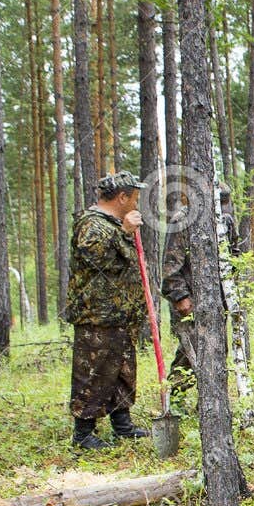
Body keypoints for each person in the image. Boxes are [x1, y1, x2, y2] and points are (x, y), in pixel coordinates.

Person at [64, 171, 152, 451]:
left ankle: (122, 425)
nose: (137, 202)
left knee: (122, 370)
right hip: (97, 316)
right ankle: (83, 432)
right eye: (134, 196)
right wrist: (125, 233)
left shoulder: (112, 224)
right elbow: (96, 258)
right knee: (94, 371)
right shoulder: (92, 224)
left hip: (120, 315)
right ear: (122, 197)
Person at [160, 181, 241, 403]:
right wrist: (180, 296)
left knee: (217, 349)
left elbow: (233, 257)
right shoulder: (183, 221)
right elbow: (170, 266)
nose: (224, 208)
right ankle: (175, 398)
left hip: (218, 299)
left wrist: (232, 291)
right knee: (191, 350)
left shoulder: (226, 222)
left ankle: (211, 402)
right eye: (219, 202)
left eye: (225, 202)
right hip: (190, 298)